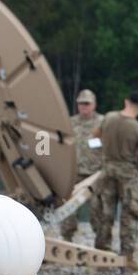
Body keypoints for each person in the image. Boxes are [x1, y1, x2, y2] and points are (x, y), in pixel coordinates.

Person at [94, 91, 138, 268]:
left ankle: (101, 256)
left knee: (105, 214)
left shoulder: (108, 118)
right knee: (129, 215)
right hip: (128, 175)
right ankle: (127, 258)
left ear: (125, 101)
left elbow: (95, 136)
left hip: (106, 171)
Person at [60, 89, 106, 243]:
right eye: (81, 104)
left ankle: (101, 244)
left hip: (96, 174)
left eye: (87, 104)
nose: (84, 107)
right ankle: (66, 240)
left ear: (94, 105)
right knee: (69, 209)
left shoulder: (103, 122)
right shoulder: (69, 123)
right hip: (74, 173)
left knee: (97, 210)